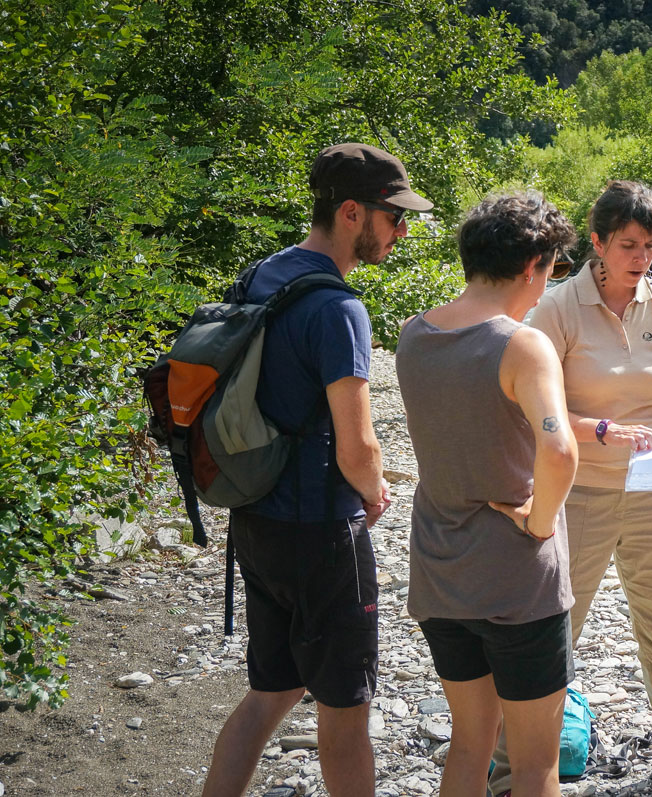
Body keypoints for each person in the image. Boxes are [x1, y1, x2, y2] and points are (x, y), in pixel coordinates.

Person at [202, 142, 430, 797]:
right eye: (393, 216)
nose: (402, 230)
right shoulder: (338, 308)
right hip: (320, 532)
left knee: (270, 691)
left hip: (255, 517)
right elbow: (357, 448)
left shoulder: (262, 275)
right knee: (346, 706)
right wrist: (376, 490)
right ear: (352, 212)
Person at [486, 179, 652, 796]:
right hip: (575, 492)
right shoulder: (556, 308)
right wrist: (607, 430)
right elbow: (539, 410)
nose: (642, 257)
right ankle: (512, 770)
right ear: (597, 243)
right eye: (630, 244)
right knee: (557, 632)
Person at [395, 191, 579, 797]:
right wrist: (540, 523)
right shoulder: (522, 344)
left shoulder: (413, 335)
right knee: (533, 766)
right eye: (551, 270)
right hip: (516, 582)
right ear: (534, 266)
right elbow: (559, 449)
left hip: (440, 572)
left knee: (470, 742)